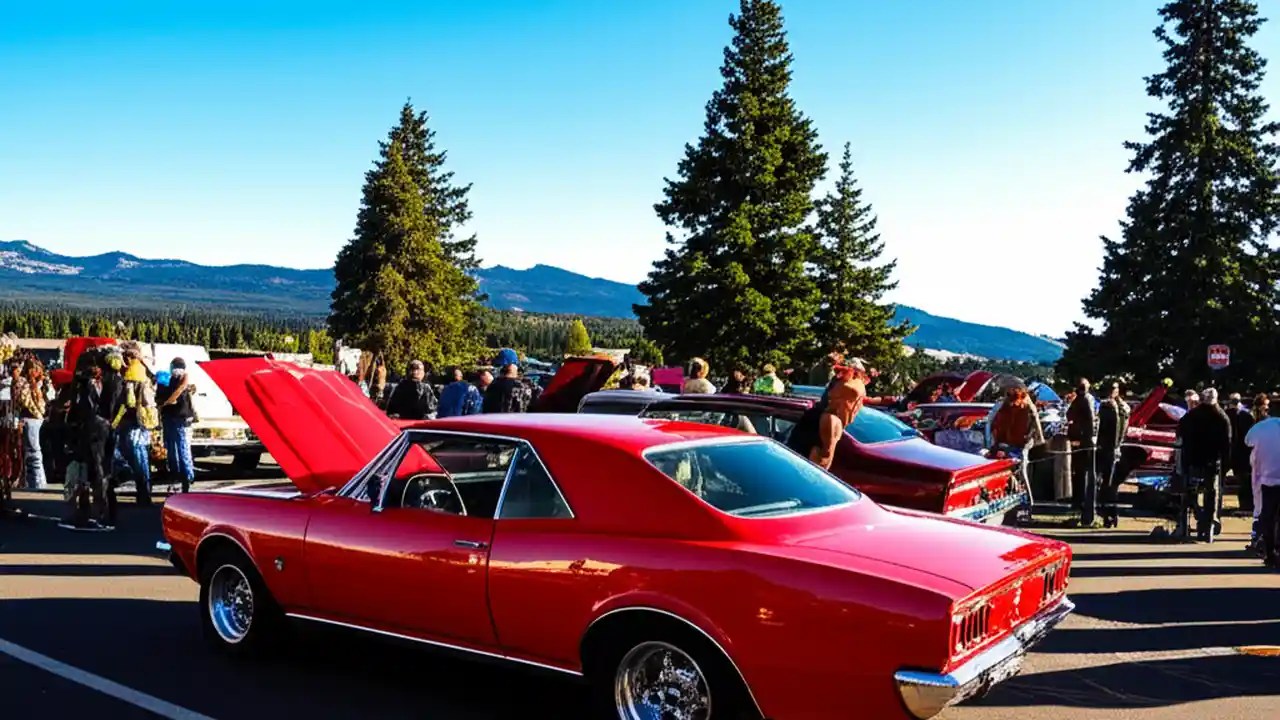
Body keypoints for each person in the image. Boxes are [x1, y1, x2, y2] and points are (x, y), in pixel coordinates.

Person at [1178, 387, 1231, 542]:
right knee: (1211, 492)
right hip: (1212, 461)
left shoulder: (1191, 416)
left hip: (1193, 459)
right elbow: (1227, 444)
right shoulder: (1221, 417)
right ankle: (1209, 521)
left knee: (1189, 491)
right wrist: (1226, 465)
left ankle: (1195, 516)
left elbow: (1181, 433)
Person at [113, 346, 158, 506]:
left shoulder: (132, 375)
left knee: (136, 456)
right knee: (141, 457)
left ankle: (143, 493)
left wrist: (115, 421)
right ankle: (144, 492)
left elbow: (128, 402)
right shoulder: (144, 373)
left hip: (132, 422)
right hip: (142, 422)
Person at [1244, 397, 1280, 569]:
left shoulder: (1260, 428)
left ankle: (1270, 551)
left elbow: (1247, 441)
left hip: (1268, 478)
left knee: (1268, 516)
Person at [157, 358, 197, 493]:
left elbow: (180, 390)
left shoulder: (182, 379)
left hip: (180, 418)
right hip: (172, 417)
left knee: (182, 448)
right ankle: (179, 476)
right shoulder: (168, 379)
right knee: (173, 448)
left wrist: (167, 402)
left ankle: (187, 477)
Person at [1095, 382, 1128, 528]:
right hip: (1116, 449)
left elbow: (1102, 429)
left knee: (1103, 483)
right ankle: (1111, 513)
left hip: (1107, 448)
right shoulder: (1124, 407)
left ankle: (1106, 513)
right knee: (1111, 484)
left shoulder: (1107, 407)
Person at [1066, 378, 1098, 526]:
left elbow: (1090, 420)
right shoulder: (1082, 398)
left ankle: (1081, 503)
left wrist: (1088, 438)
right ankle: (1079, 502)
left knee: (1082, 473)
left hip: (1084, 441)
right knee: (1079, 473)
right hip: (1081, 439)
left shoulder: (1085, 399)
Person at [14, 356, 48, 489]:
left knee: (35, 452)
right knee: (30, 453)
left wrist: (39, 411)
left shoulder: (40, 384)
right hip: (30, 419)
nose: (38, 372)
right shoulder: (23, 383)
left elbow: (42, 402)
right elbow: (24, 400)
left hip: (35, 420)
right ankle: (33, 482)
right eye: (35, 369)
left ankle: (38, 482)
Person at [1247, 393, 1272, 552]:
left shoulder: (1262, 423)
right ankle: (1258, 535)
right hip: (1261, 466)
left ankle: (1261, 536)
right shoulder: (1256, 422)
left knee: (1263, 504)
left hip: (1264, 467)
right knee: (1261, 503)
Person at [1227, 392, 1255, 514]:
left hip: (1239, 451)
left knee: (1244, 480)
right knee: (1244, 479)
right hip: (1239, 451)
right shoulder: (1245, 415)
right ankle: (1246, 505)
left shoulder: (1244, 415)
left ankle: (1246, 505)